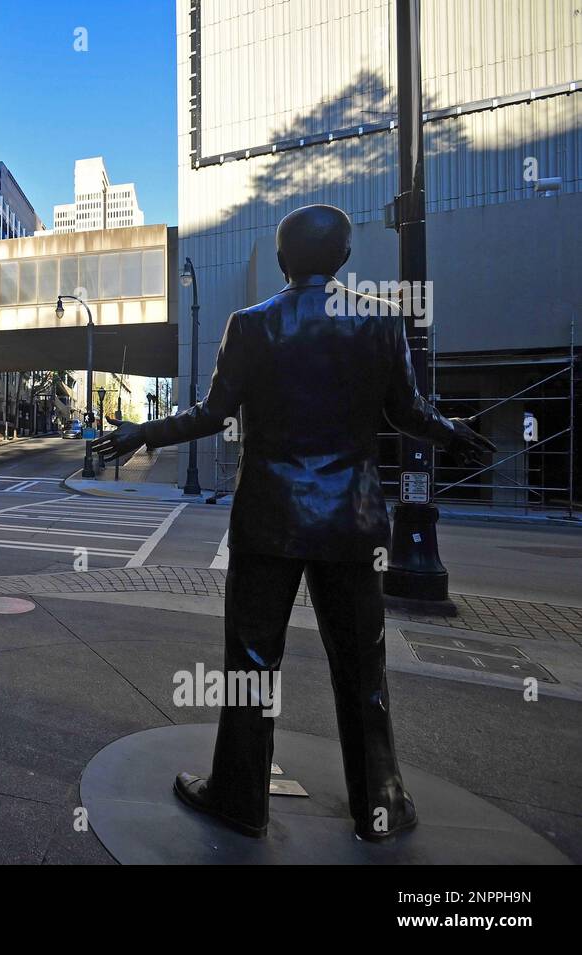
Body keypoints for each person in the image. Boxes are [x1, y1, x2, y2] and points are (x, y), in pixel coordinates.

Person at [92, 204, 495, 842]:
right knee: (363, 664)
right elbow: (408, 412)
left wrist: (143, 431)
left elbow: (209, 413)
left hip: (269, 518)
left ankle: (240, 798)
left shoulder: (252, 325)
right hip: (352, 521)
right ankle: (382, 800)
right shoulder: (380, 322)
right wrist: (453, 431)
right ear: (343, 257)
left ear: (283, 261)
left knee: (252, 660)